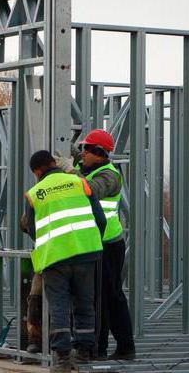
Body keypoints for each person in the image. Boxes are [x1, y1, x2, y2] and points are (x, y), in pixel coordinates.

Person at [22, 150, 106, 372]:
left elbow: (32, 229)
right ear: (53, 163)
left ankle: (62, 358)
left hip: (56, 257)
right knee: (84, 303)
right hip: (86, 252)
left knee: (58, 305)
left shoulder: (34, 193)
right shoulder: (79, 183)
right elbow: (100, 218)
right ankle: (85, 353)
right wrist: (91, 241)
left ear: (37, 171)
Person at [55, 129, 136, 360]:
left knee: (105, 297)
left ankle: (102, 349)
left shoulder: (109, 176)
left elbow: (88, 190)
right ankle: (119, 347)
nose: (82, 153)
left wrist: (69, 169)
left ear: (98, 153)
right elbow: (76, 161)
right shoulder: (88, 168)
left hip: (108, 245)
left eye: (86, 149)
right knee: (103, 296)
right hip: (94, 244)